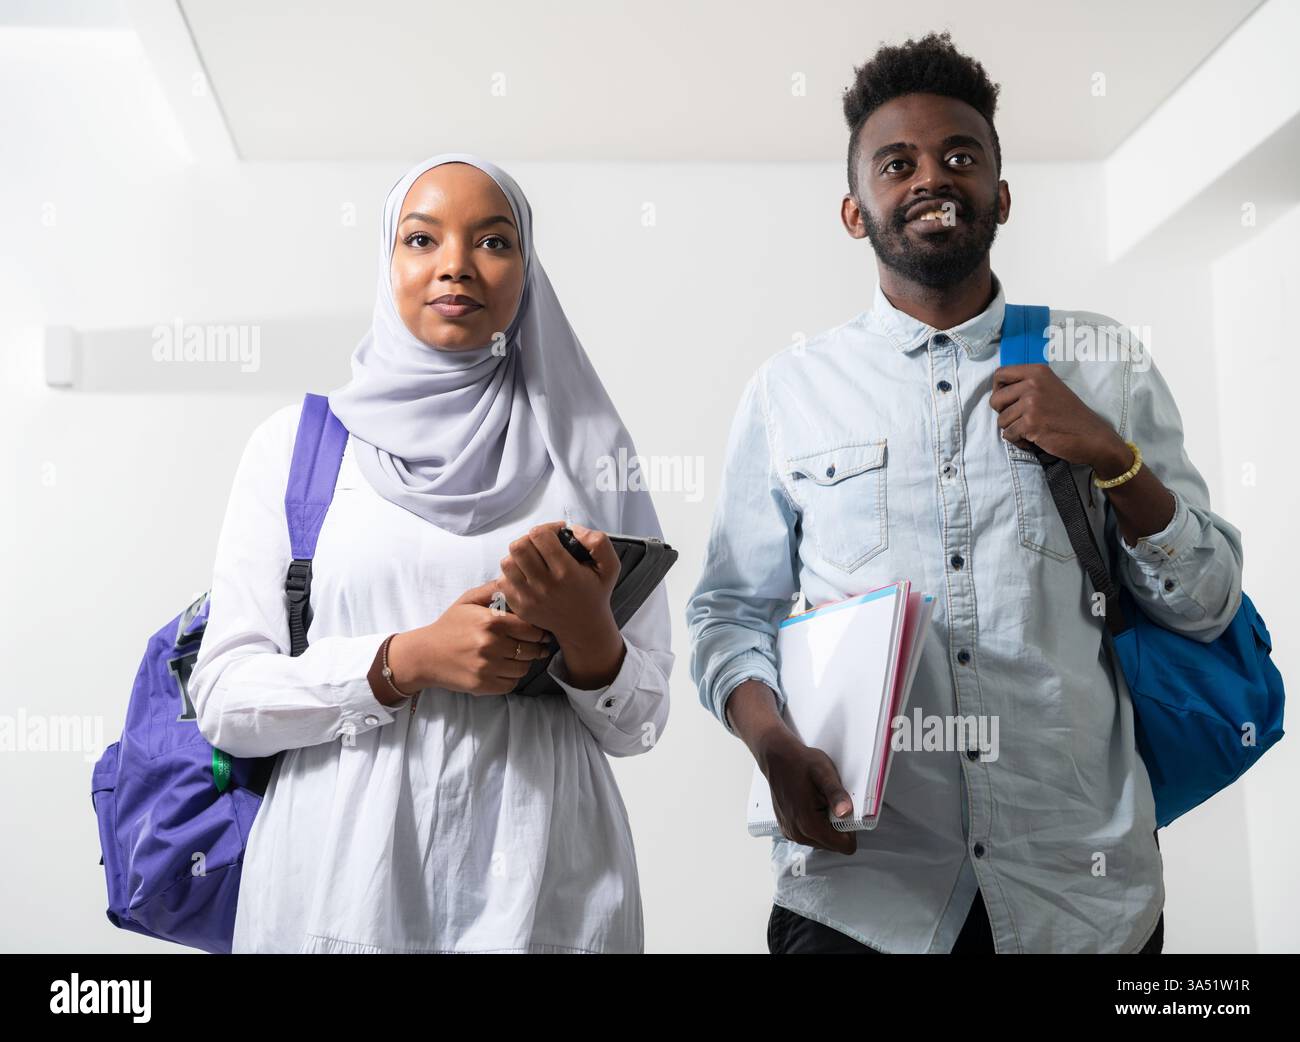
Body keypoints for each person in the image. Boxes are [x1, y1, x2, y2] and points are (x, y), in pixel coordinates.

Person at [686, 32, 1242, 954]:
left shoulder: (1102, 360)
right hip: (864, 893)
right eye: (896, 163)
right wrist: (771, 747)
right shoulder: (790, 392)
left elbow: (1209, 599)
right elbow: (728, 613)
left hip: (1081, 896)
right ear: (855, 212)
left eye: (960, 156)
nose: (931, 179)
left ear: (1002, 194)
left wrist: (1110, 454)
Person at [190, 153, 672, 954]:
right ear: (388, 263)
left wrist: (592, 639)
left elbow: (643, 722)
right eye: (422, 239)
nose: (456, 264)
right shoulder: (297, 450)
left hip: (547, 887)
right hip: (339, 883)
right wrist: (402, 660)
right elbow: (226, 697)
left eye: (493, 241)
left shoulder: (587, 453)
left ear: (526, 268)